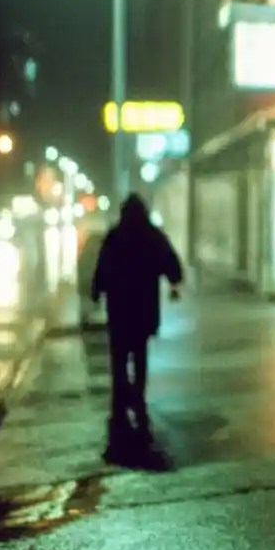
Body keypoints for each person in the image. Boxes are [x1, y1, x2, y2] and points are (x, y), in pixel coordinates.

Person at [91, 194, 183, 462]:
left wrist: (97, 290)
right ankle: (138, 398)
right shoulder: (152, 235)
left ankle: (120, 405)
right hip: (142, 311)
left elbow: (103, 267)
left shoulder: (115, 236)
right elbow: (171, 263)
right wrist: (174, 281)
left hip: (119, 311)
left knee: (118, 360)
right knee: (140, 357)